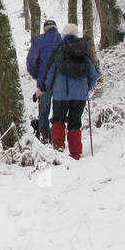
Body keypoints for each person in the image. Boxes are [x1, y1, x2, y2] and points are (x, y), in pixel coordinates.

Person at [43, 22, 99, 160]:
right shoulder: (83, 51)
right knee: (75, 122)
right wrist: (88, 87)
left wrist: (48, 87)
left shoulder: (59, 49)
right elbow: (93, 74)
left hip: (61, 94)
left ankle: (58, 147)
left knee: (58, 119)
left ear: (63, 34)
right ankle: (75, 153)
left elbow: (50, 71)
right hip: (80, 95)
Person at [26, 19, 62, 143]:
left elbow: (30, 63)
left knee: (43, 113)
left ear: (44, 29)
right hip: (60, 83)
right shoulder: (62, 41)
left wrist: (38, 76)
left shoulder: (38, 41)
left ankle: (44, 138)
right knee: (58, 113)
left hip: (44, 83)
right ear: (55, 28)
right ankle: (58, 139)